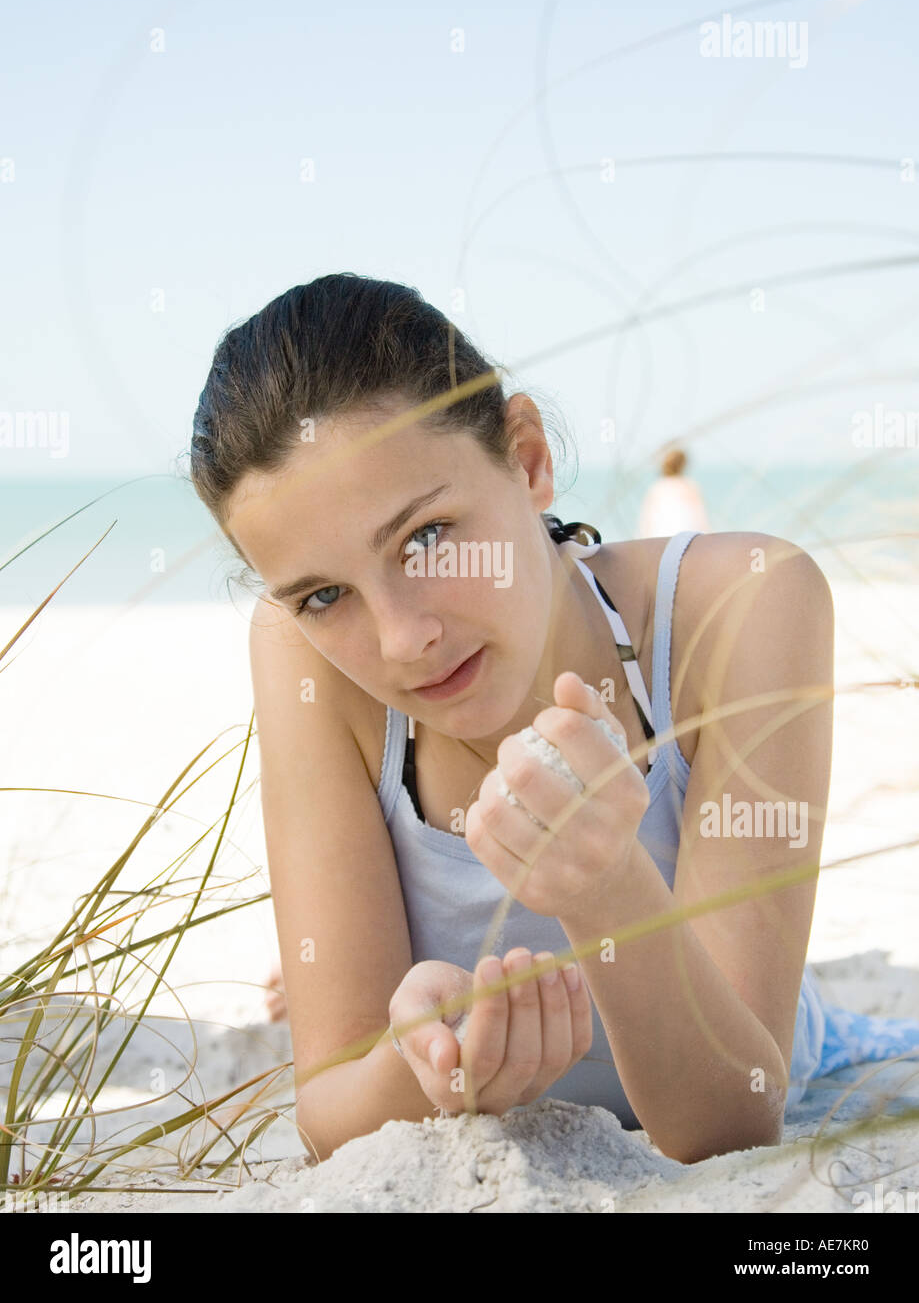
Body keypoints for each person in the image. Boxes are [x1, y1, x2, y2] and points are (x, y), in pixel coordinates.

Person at [188, 274, 919, 1165]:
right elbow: (327, 1110)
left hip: (809, 1055)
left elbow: (732, 1121)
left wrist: (600, 887)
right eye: (325, 593)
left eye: (425, 536)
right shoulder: (299, 653)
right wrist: (427, 1068)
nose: (403, 639)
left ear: (527, 459)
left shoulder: (740, 602)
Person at [637, 446, 711, 538]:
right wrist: (707, 537)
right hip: (686, 537)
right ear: (683, 465)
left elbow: (646, 520)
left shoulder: (657, 487)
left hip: (660, 536)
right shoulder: (688, 486)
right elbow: (701, 518)